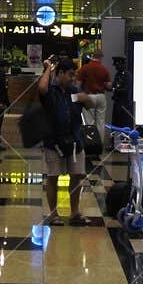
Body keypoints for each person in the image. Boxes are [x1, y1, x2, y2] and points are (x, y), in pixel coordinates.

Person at [36, 55, 93, 224]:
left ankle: (74, 213)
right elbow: (42, 88)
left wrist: (86, 98)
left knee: (76, 176)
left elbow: (88, 104)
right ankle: (53, 215)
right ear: (60, 73)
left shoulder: (73, 92)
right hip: (54, 143)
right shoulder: (50, 92)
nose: (73, 78)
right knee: (53, 177)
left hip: (75, 141)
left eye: (74, 75)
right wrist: (48, 69)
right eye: (70, 74)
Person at [77, 51, 112, 146]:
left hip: (89, 96)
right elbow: (109, 86)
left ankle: (90, 144)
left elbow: (78, 85)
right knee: (100, 122)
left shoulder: (85, 68)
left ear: (92, 56)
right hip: (101, 96)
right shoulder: (104, 69)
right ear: (101, 57)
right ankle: (99, 145)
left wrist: (79, 96)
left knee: (89, 122)